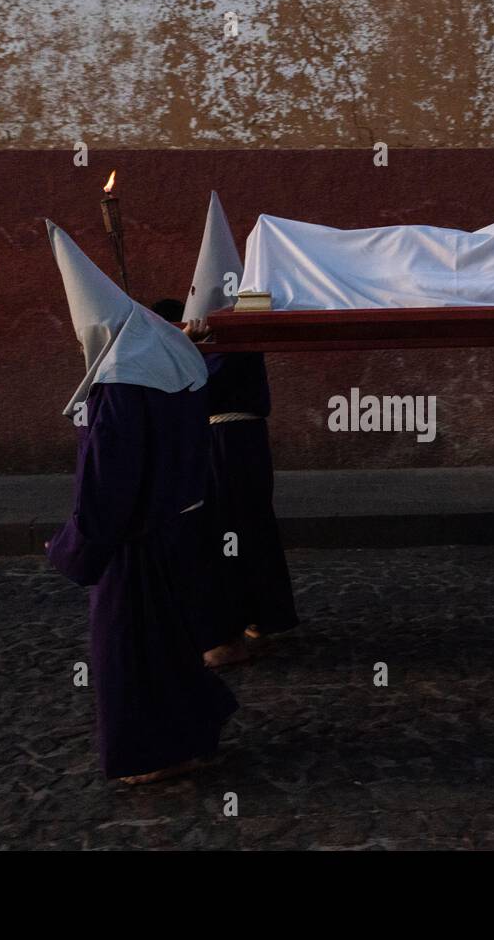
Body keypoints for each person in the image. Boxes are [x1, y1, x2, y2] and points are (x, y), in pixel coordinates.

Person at [43, 220, 237, 784]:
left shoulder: (121, 383)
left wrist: (71, 546)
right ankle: (191, 738)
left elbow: (107, 484)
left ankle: (156, 753)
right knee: (170, 647)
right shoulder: (167, 364)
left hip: (132, 544)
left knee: (129, 654)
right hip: (174, 531)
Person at [179, 192, 300, 668]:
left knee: (229, 529)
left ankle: (236, 628)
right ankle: (261, 616)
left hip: (229, 443)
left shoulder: (232, 343)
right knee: (247, 527)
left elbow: (201, 386)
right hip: (236, 442)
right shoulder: (232, 341)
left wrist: (180, 351)